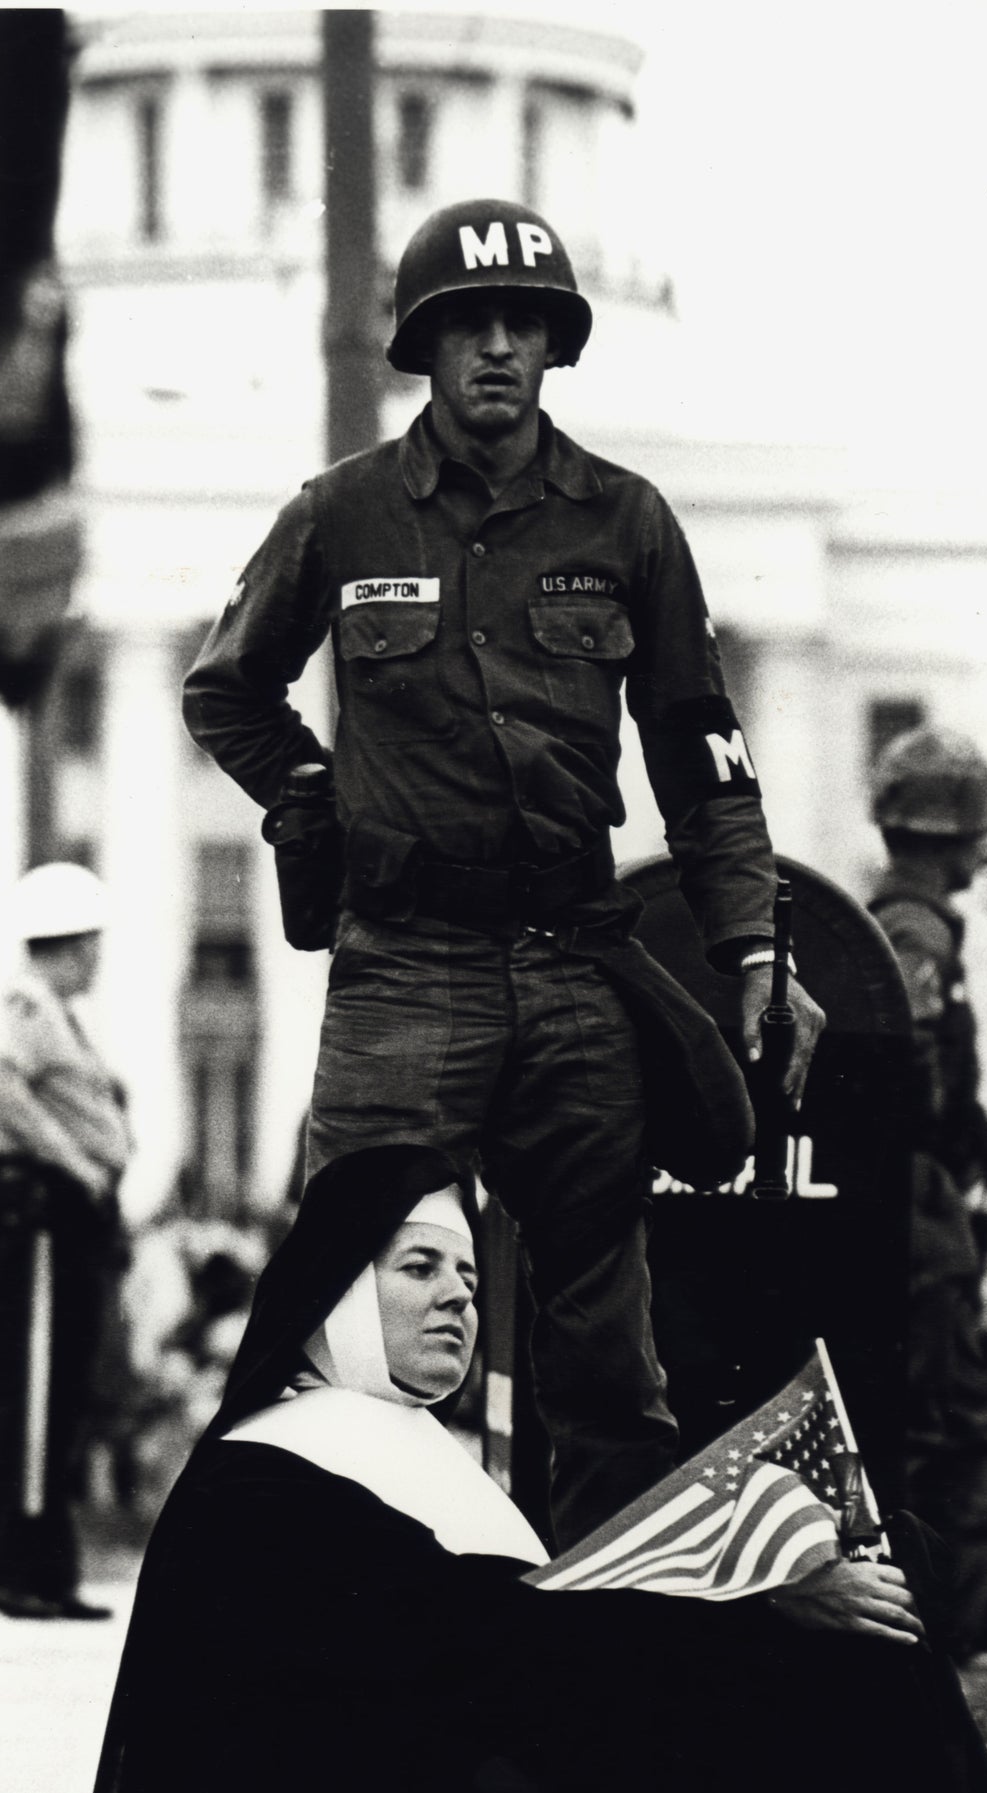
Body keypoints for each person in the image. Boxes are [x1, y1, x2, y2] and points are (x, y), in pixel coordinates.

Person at [69, 1141, 987, 1793]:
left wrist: (757, 1604)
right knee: (789, 1657)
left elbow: (510, 1654)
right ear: (338, 1286)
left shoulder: (395, 1448)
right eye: (419, 1268)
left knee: (858, 1580)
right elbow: (482, 1649)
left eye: (471, 1279)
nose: (456, 1302)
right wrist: (762, 1618)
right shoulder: (267, 1478)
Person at [181, 197, 823, 1549]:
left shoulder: (627, 524)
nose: (496, 351)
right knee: (356, 1307)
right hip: (404, 970)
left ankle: (610, 1654)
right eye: (467, 324)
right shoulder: (344, 515)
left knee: (605, 1348)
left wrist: (758, 948)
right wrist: (312, 795)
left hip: (572, 964)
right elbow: (226, 689)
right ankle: (340, 1617)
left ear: (554, 347)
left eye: (522, 324)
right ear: (424, 347)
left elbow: (702, 754)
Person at [867, 729, 987, 1655]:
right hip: (921, 1210)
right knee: (948, 1419)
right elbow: (912, 1084)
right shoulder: (916, 931)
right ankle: (941, 1637)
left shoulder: (908, 925)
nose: (983, 849)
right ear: (950, 837)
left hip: (926, 1201)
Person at [0, 861, 131, 1618]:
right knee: (38, 1389)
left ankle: (48, 1569)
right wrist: (76, 1161)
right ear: (71, 942)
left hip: (75, 1215)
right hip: (45, 1212)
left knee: (68, 1386)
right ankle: (23, 1568)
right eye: (92, 941)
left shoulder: (56, 1010)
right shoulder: (26, 1002)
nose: (98, 956)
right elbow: (7, 1089)